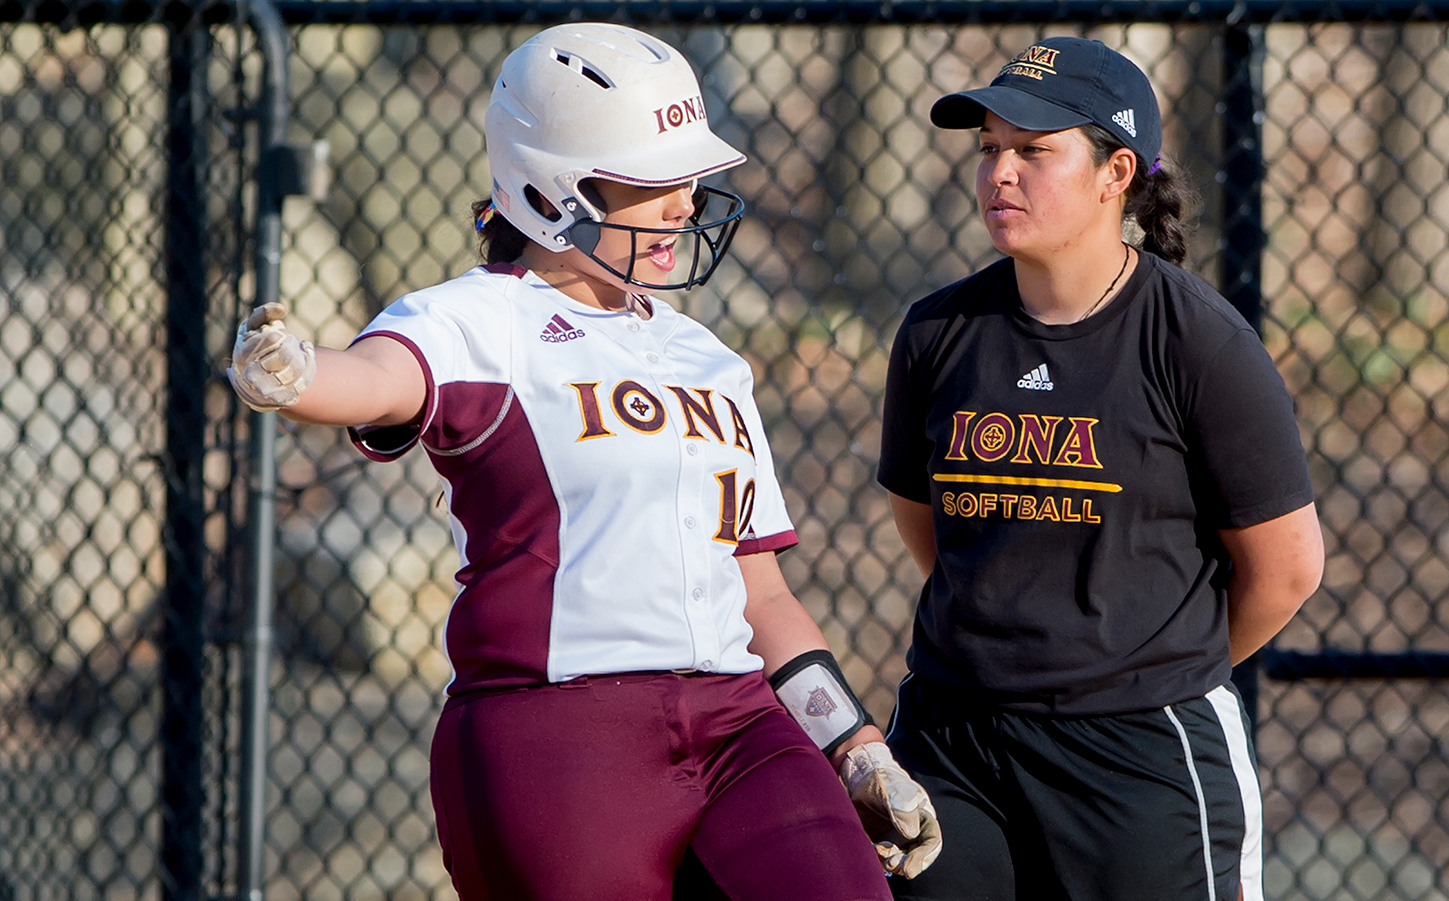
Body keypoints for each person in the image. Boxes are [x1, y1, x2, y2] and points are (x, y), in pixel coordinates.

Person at [227, 23, 939, 901]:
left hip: (736, 721)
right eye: (653, 179)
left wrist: (856, 744)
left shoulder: (707, 356)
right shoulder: (475, 320)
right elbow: (378, 379)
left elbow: (761, 595)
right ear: (553, 188)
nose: (685, 202)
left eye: (688, 176)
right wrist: (295, 374)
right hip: (557, 728)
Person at [875, 36, 1324, 901]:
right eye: (988, 149)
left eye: (1033, 150)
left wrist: (1146, 663)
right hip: (954, 736)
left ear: (1116, 171)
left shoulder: (1197, 341)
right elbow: (927, 523)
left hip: (1136, 750)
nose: (999, 173)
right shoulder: (937, 333)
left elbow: (1286, 567)